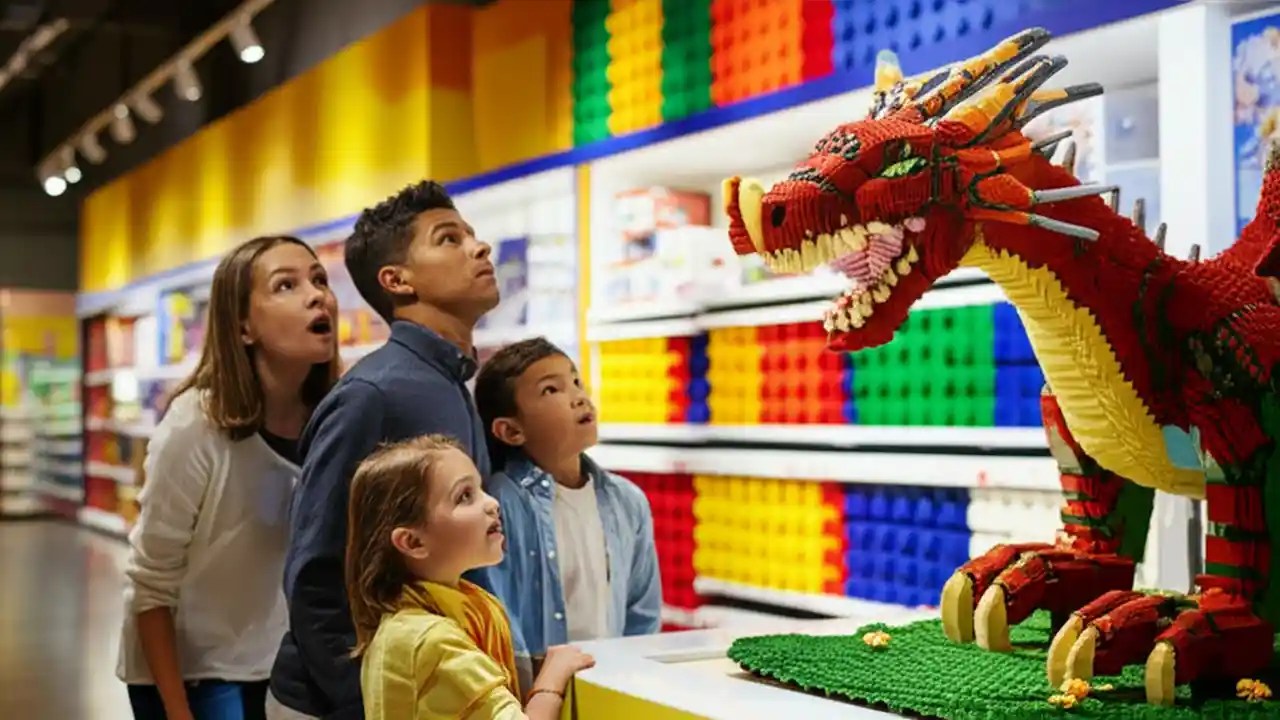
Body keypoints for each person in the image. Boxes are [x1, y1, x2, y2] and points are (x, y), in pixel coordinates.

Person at [269, 181, 501, 720]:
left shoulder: (451, 383)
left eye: (471, 234)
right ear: (396, 280)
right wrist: (364, 700)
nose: (479, 247)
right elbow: (315, 574)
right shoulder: (373, 396)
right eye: (449, 239)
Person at [118, 235, 341, 720]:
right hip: (192, 672)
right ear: (242, 327)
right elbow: (149, 585)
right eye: (286, 285)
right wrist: (177, 712)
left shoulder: (334, 420)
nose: (317, 295)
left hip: (278, 663)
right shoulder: (195, 426)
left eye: (319, 279)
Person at [345, 434, 595, 720]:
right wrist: (551, 681)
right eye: (465, 496)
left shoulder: (454, 612)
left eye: (481, 488)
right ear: (413, 542)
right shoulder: (431, 641)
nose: (492, 503)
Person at [473, 337, 662, 691]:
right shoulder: (500, 504)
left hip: (609, 690)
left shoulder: (627, 501)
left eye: (576, 381)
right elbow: (500, 622)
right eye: (550, 390)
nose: (578, 395)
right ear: (511, 430)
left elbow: (642, 614)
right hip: (535, 697)